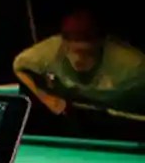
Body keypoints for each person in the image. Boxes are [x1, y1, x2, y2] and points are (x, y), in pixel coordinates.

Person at [13, 9, 145, 115]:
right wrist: (47, 98)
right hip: (79, 117)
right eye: (72, 51)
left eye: (86, 52)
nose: (79, 60)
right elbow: (19, 66)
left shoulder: (133, 65)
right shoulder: (50, 51)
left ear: (101, 43)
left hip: (126, 118)